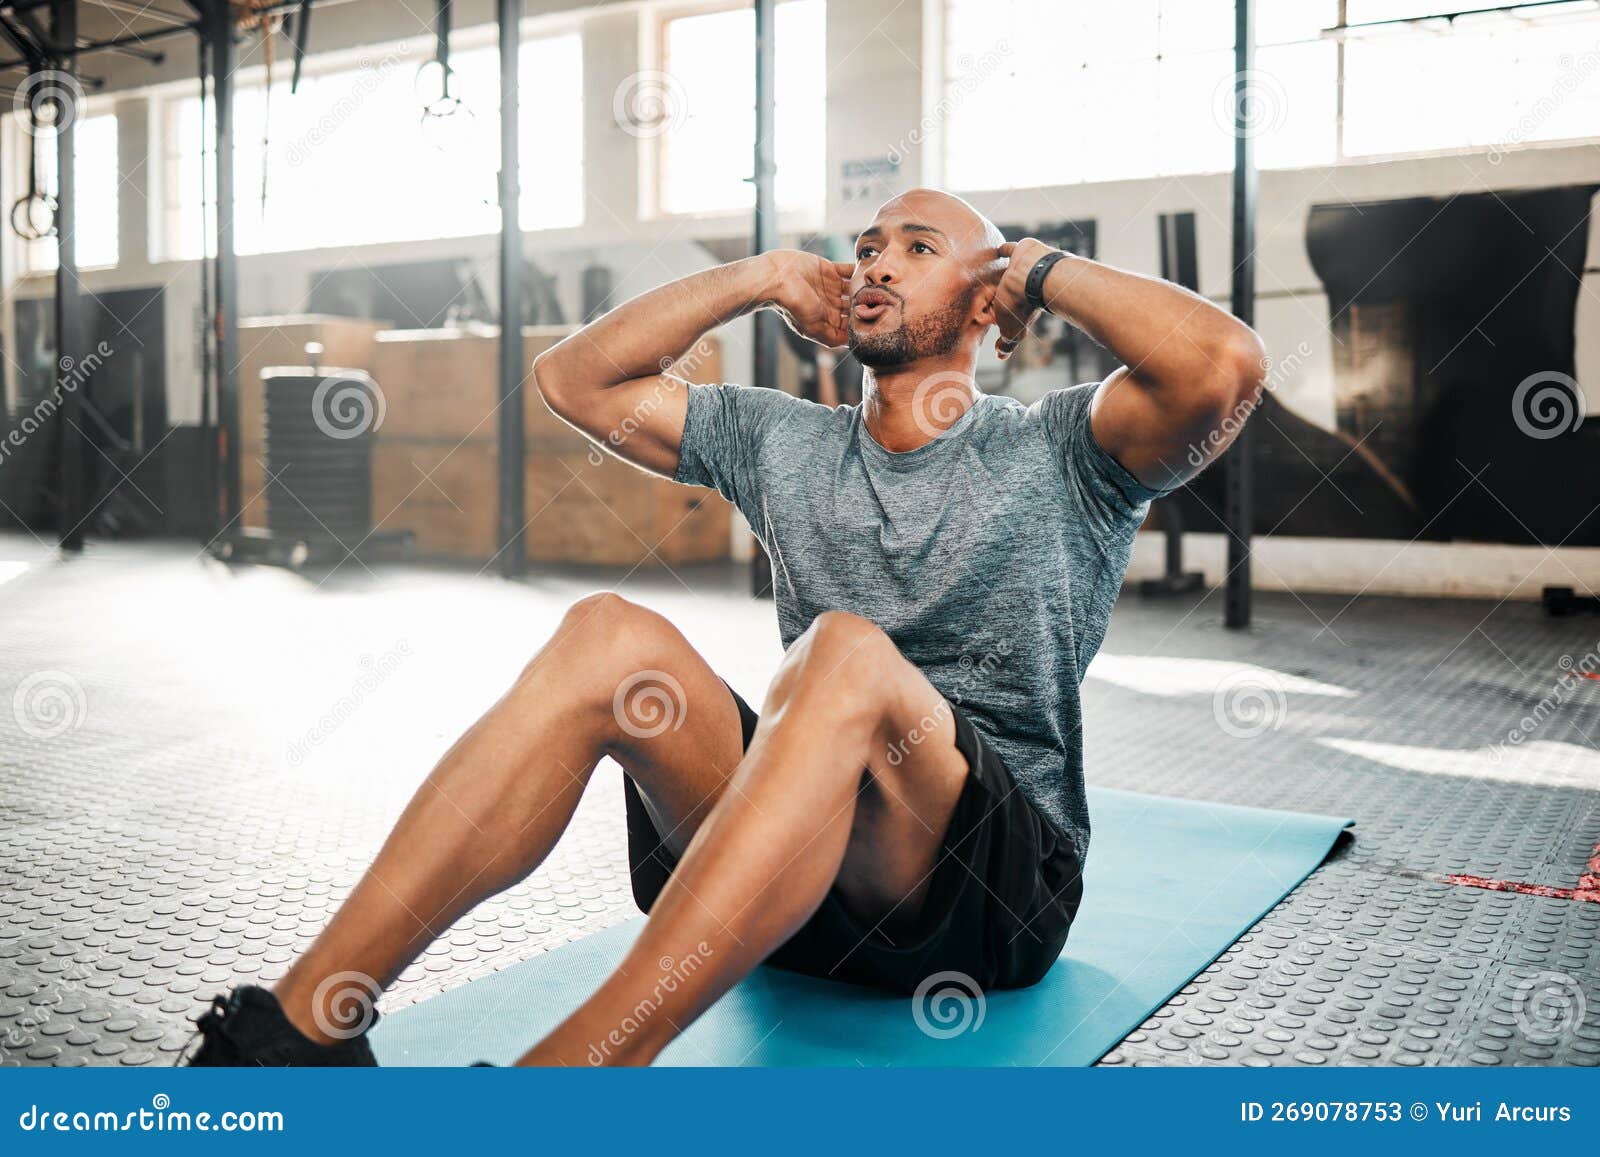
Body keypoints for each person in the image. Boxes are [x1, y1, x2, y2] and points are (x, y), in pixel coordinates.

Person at [186, 188, 1265, 1067]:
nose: (877, 263)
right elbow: (572, 379)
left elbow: (1222, 367)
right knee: (607, 632)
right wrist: (756, 279)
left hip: (981, 890)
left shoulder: (1065, 449)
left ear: (986, 307)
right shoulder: (777, 439)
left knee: (841, 650)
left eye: (919, 247)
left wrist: (1033, 267)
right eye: (866, 246)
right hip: (799, 885)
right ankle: (297, 1028)